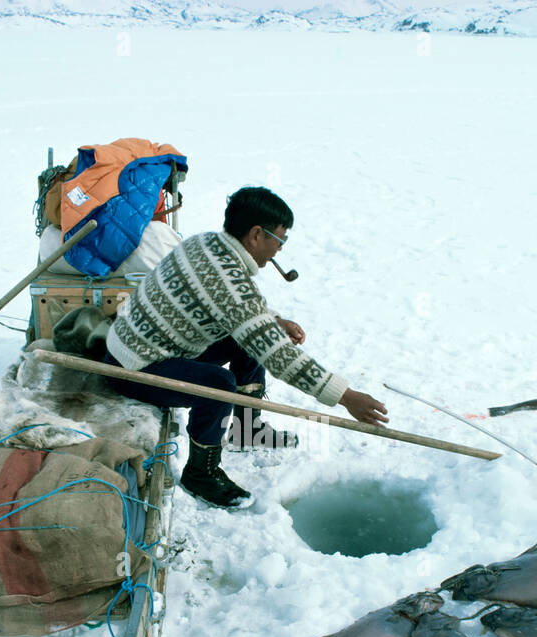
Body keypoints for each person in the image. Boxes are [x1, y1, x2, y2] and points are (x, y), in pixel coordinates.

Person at [103, 186, 388, 508]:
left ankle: (247, 430)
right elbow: (277, 353)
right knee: (218, 386)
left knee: (247, 344)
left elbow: (239, 306)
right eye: (280, 239)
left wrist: (273, 320)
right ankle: (201, 474)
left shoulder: (206, 243)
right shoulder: (224, 277)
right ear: (256, 234)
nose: (279, 249)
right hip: (133, 366)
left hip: (147, 344)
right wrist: (346, 397)